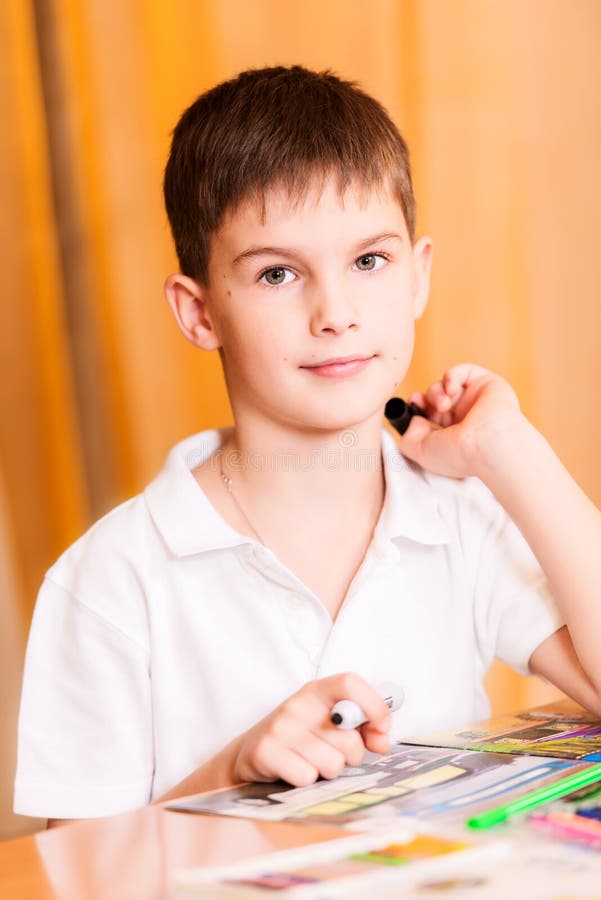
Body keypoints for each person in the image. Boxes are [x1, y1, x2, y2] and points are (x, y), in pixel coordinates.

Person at [14, 65, 601, 827]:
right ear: (198, 314)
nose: (336, 314)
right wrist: (232, 769)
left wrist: (509, 449)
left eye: (368, 261)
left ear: (417, 276)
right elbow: (75, 874)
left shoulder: (459, 517)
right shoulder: (111, 579)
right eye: (278, 273)